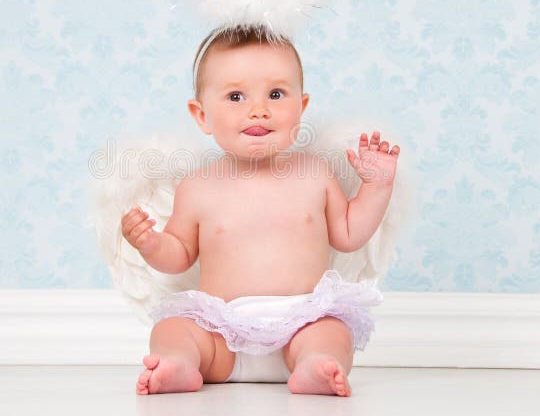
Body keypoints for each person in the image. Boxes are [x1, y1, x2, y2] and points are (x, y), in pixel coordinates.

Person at [121, 25, 400, 396]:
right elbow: (180, 254)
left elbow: (349, 234)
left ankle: (315, 365)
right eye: (236, 96)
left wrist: (376, 187)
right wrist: (151, 243)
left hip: (303, 322)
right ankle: (181, 363)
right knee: (170, 330)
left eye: (276, 94)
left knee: (334, 332)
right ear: (201, 115)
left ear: (300, 107)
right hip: (221, 331)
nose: (258, 110)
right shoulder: (197, 187)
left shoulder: (314, 174)